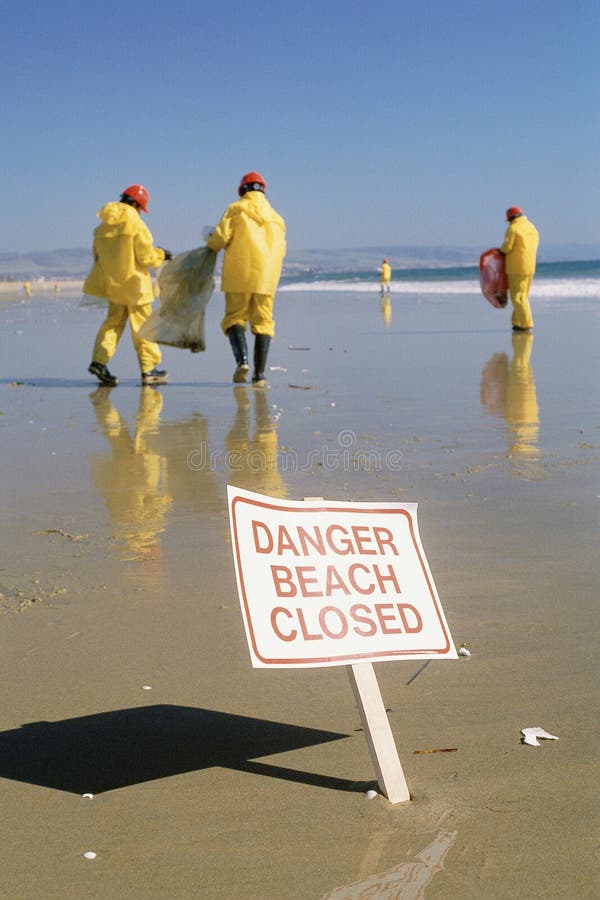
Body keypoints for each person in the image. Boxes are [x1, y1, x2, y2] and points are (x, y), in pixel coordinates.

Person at [84, 184, 172, 387]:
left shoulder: (101, 227)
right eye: (141, 208)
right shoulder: (135, 223)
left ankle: (99, 361)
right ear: (136, 204)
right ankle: (149, 370)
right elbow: (145, 257)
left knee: (112, 324)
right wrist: (162, 254)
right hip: (135, 287)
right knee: (143, 326)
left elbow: (98, 256)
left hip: (113, 287)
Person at [207, 171, 286, 387]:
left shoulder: (236, 209)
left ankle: (242, 362)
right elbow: (282, 251)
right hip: (267, 278)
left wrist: (210, 243)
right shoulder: (277, 218)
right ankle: (259, 376)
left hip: (238, 273)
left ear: (243, 190)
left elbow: (220, 239)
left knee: (235, 317)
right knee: (264, 321)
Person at [498, 206, 539, 332]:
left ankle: (526, 323)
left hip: (516, 267)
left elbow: (507, 248)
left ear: (510, 218)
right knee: (523, 295)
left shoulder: (513, 228)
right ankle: (517, 322)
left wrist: (499, 252)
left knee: (518, 297)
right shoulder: (532, 227)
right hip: (530, 266)